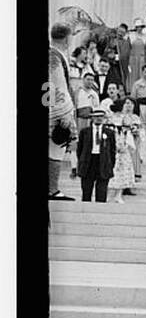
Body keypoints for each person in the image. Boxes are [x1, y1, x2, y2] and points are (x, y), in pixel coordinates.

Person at [48, 22, 78, 200]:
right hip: (57, 111)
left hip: (51, 107)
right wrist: (64, 114)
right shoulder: (55, 57)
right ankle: (53, 189)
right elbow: (57, 86)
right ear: (67, 38)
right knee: (55, 150)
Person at [77, 105, 117, 202]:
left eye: (101, 116)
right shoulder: (84, 132)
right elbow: (80, 149)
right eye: (96, 116)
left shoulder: (109, 133)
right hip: (88, 162)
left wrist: (110, 164)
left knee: (102, 192)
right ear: (92, 118)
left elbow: (112, 150)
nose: (98, 119)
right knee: (86, 192)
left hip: (102, 162)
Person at [107, 106, 136, 202]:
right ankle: (108, 194)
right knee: (110, 172)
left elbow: (130, 131)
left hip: (123, 150)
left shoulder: (127, 119)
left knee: (123, 173)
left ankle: (118, 195)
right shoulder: (109, 119)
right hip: (112, 150)